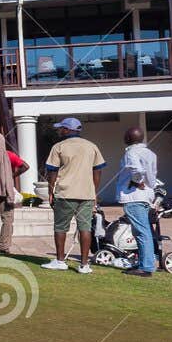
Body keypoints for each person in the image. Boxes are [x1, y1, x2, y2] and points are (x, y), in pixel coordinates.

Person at [42, 117, 105, 273]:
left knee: (60, 227)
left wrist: (51, 191)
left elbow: (53, 171)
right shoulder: (92, 146)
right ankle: (84, 265)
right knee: (85, 228)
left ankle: (60, 261)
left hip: (65, 193)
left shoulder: (59, 147)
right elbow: (97, 171)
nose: (59, 130)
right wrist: (94, 191)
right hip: (86, 194)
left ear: (67, 130)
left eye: (61, 128)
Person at [118, 127, 159, 277]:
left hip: (134, 195)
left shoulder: (131, 152)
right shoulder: (150, 153)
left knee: (142, 232)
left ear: (129, 138)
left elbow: (137, 170)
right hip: (146, 195)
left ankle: (146, 267)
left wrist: (136, 182)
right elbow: (152, 175)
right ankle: (142, 263)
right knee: (140, 231)